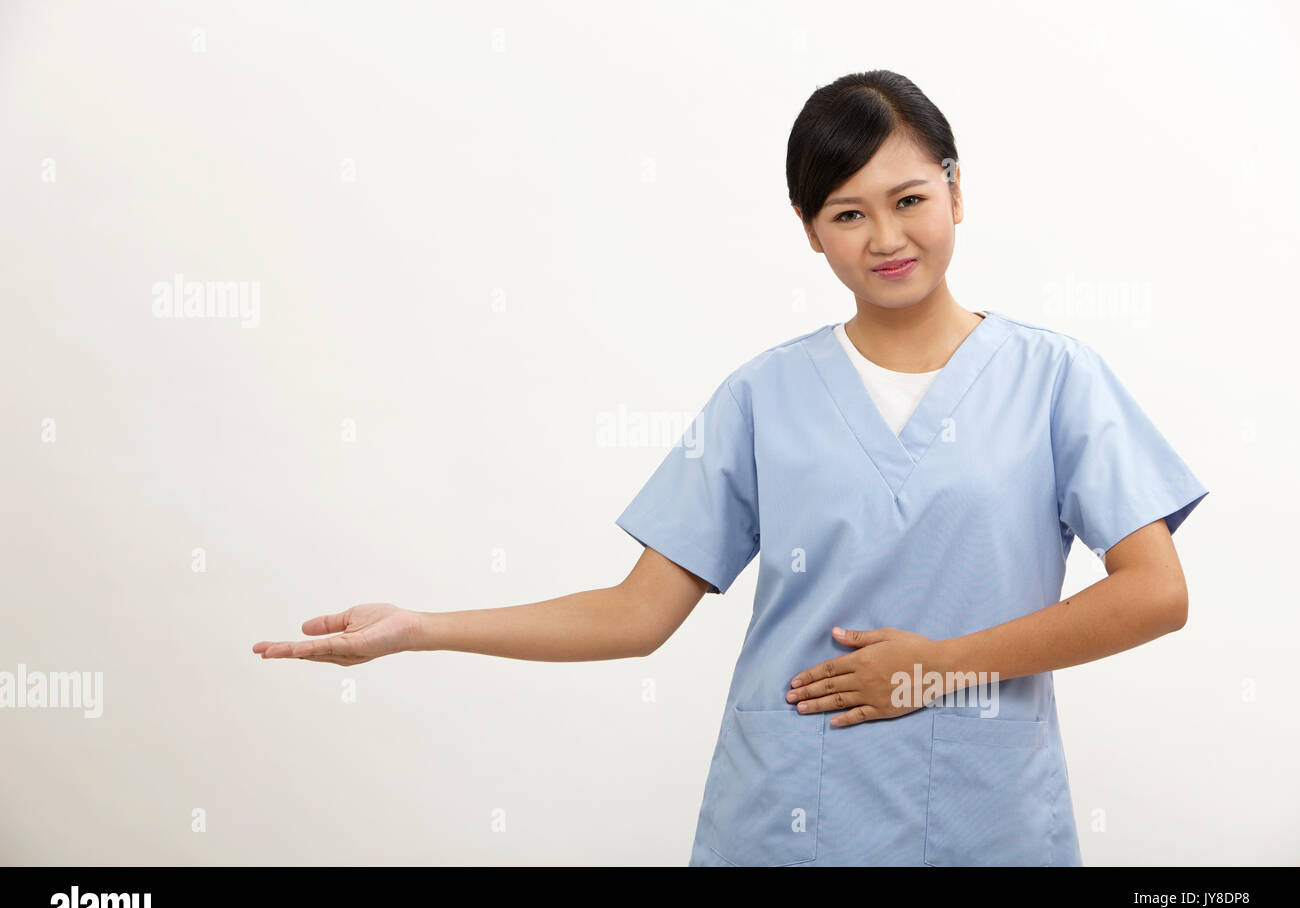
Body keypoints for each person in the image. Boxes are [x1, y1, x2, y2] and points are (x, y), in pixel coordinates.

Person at [253, 69, 1208, 866]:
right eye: (847, 213)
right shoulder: (763, 397)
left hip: (984, 819)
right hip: (787, 823)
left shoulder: (1055, 381)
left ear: (956, 191)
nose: (885, 238)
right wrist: (421, 627)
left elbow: (1156, 593)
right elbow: (635, 615)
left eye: (910, 199)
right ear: (809, 228)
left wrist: (938, 670)